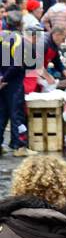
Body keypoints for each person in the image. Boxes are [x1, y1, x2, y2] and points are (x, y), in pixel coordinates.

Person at [0, 15, 27, 156]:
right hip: (13, 82)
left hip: (2, 82)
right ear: (20, 24)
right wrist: (5, 79)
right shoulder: (18, 39)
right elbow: (17, 64)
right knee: (17, 114)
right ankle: (19, 146)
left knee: (2, 114)